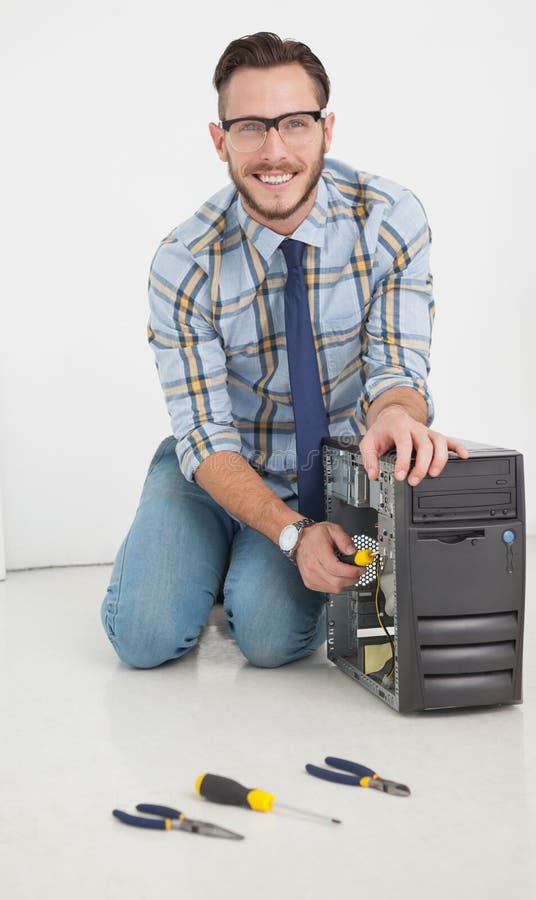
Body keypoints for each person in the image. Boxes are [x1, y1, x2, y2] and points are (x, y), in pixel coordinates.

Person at [101, 31, 468, 670]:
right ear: (220, 141)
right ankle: (213, 545)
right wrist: (291, 534)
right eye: (250, 128)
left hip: (325, 467)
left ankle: (239, 563)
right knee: (144, 639)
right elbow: (206, 437)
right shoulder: (183, 262)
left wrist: (395, 417)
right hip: (218, 458)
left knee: (271, 643)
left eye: (294, 124)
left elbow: (397, 370)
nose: (275, 152)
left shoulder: (389, 218)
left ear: (326, 130)